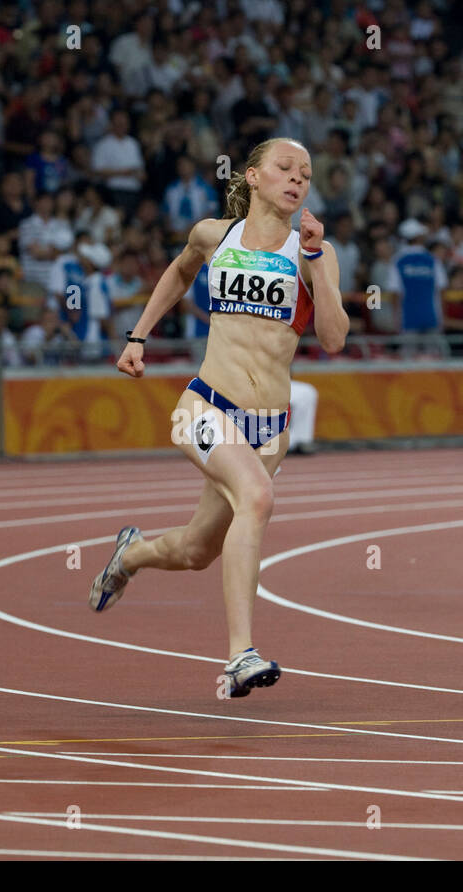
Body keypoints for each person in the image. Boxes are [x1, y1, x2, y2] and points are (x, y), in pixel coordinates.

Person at [88, 138, 348, 697]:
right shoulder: (215, 234)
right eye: (284, 168)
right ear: (252, 176)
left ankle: (129, 554)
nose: (297, 180)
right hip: (203, 406)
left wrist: (319, 265)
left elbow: (333, 338)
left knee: (197, 551)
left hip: (267, 431)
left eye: (306, 173)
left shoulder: (314, 253)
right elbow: (179, 274)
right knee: (256, 498)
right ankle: (240, 656)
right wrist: (138, 336)